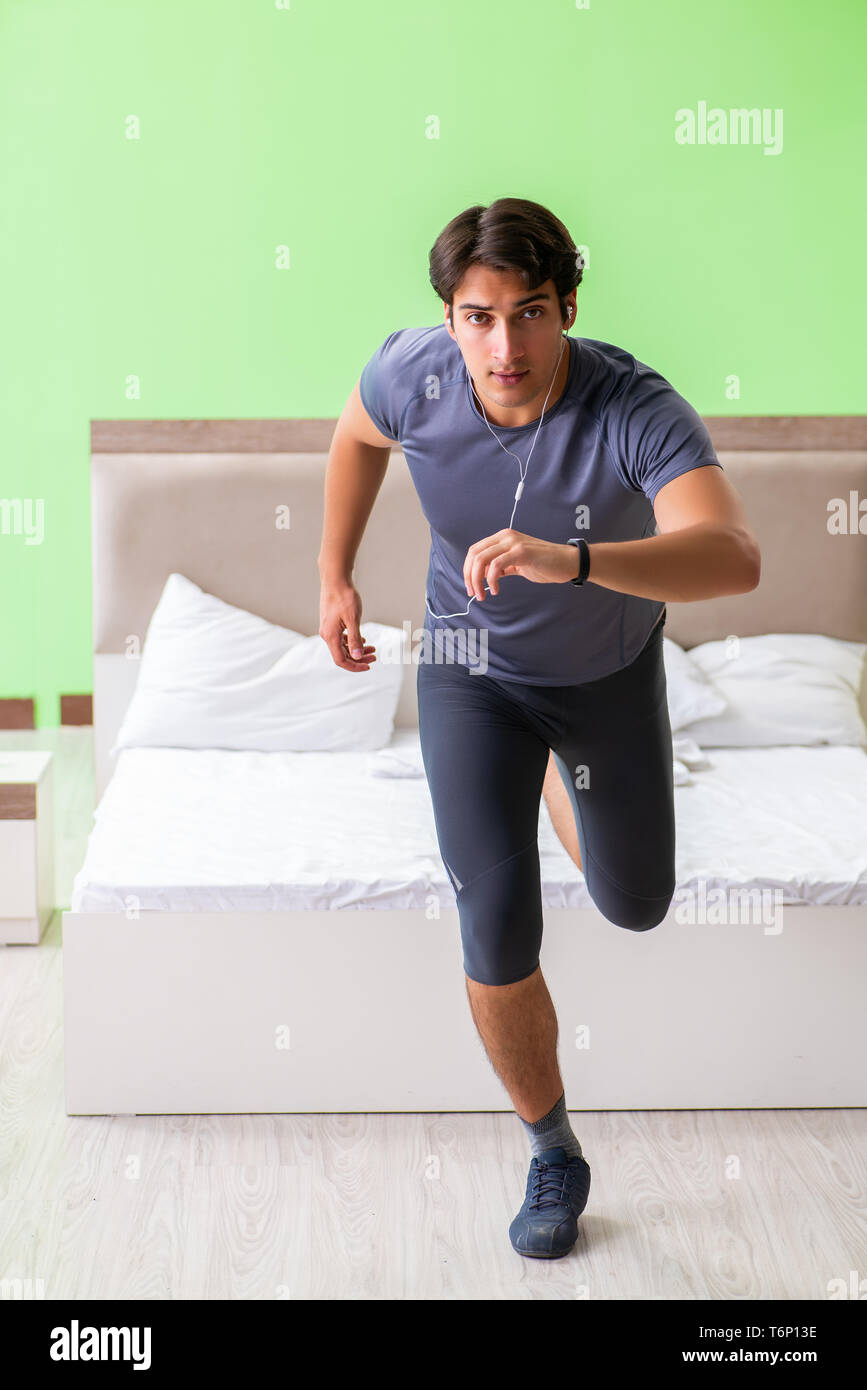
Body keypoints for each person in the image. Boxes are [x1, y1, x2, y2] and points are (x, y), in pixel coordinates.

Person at [317, 197, 761, 1260]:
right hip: (469, 674)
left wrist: (577, 558)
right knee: (496, 916)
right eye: (478, 316)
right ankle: (552, 1149)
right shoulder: (414, 374)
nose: (502, 345)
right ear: (447, 314)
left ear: (567, 304)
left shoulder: (631, 407)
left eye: (528, 313)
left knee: (635, 901)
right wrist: (332, 573)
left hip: (602, 676)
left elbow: (734, 555)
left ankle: (563, 773)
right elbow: (355, 432)